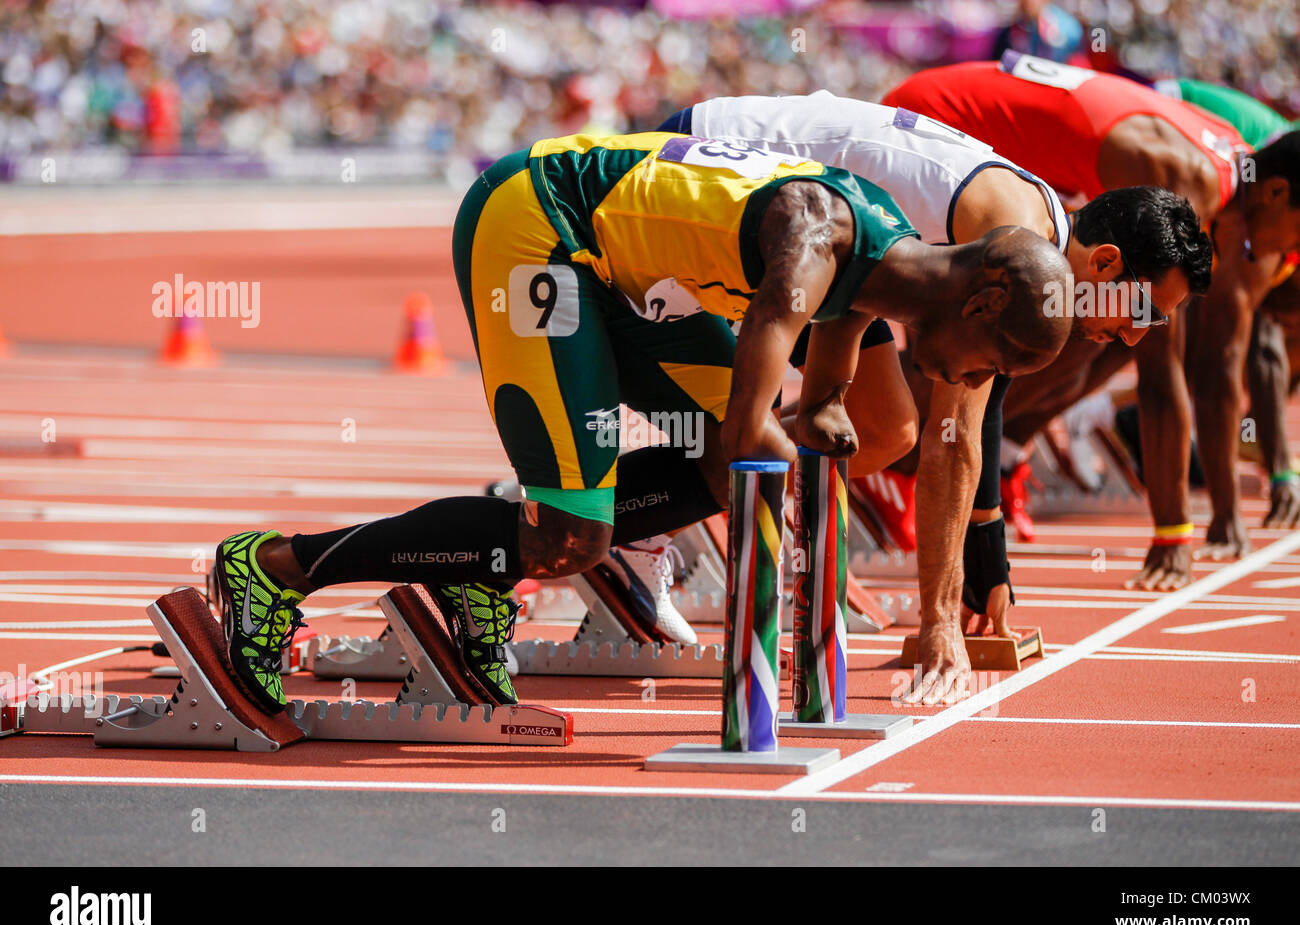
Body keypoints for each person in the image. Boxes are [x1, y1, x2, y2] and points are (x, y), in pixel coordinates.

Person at [211, 130, 1073, 714]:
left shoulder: (881, 255)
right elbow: (750, 431)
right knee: (575, 541)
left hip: (628, 273)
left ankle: (484, 559)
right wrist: (797, 495)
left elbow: (830, 366)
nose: (982, 381)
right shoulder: (815, 246)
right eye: (996, 359)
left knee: (698, 476)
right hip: (539, 229)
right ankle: (278, 567)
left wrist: (824, 408)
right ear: (984, 297)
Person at [659, 91, 1207, 692]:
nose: (1134, 338)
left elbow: (981, 407)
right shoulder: (1018, 240)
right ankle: (648, 516)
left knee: (886, 427)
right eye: (1144, 312)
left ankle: (668, 499)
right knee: (823, 420)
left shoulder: (1040, 246)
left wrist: (986, 556)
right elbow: (957, 438)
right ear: (1104, 264)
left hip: (827, 244)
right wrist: (939, 623)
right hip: (719, 169)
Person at [883, 54, 1300, 604]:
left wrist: (1226, 511)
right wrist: (1174, 533)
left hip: (982, 132)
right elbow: (1165, 378)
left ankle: (997, 451)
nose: (1291, 256)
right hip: (932, 126)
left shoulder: (1225, 164)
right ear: (1273, 194)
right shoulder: (1181, 182)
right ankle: (890, 460)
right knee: (1051, 333)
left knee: (1104, 333)